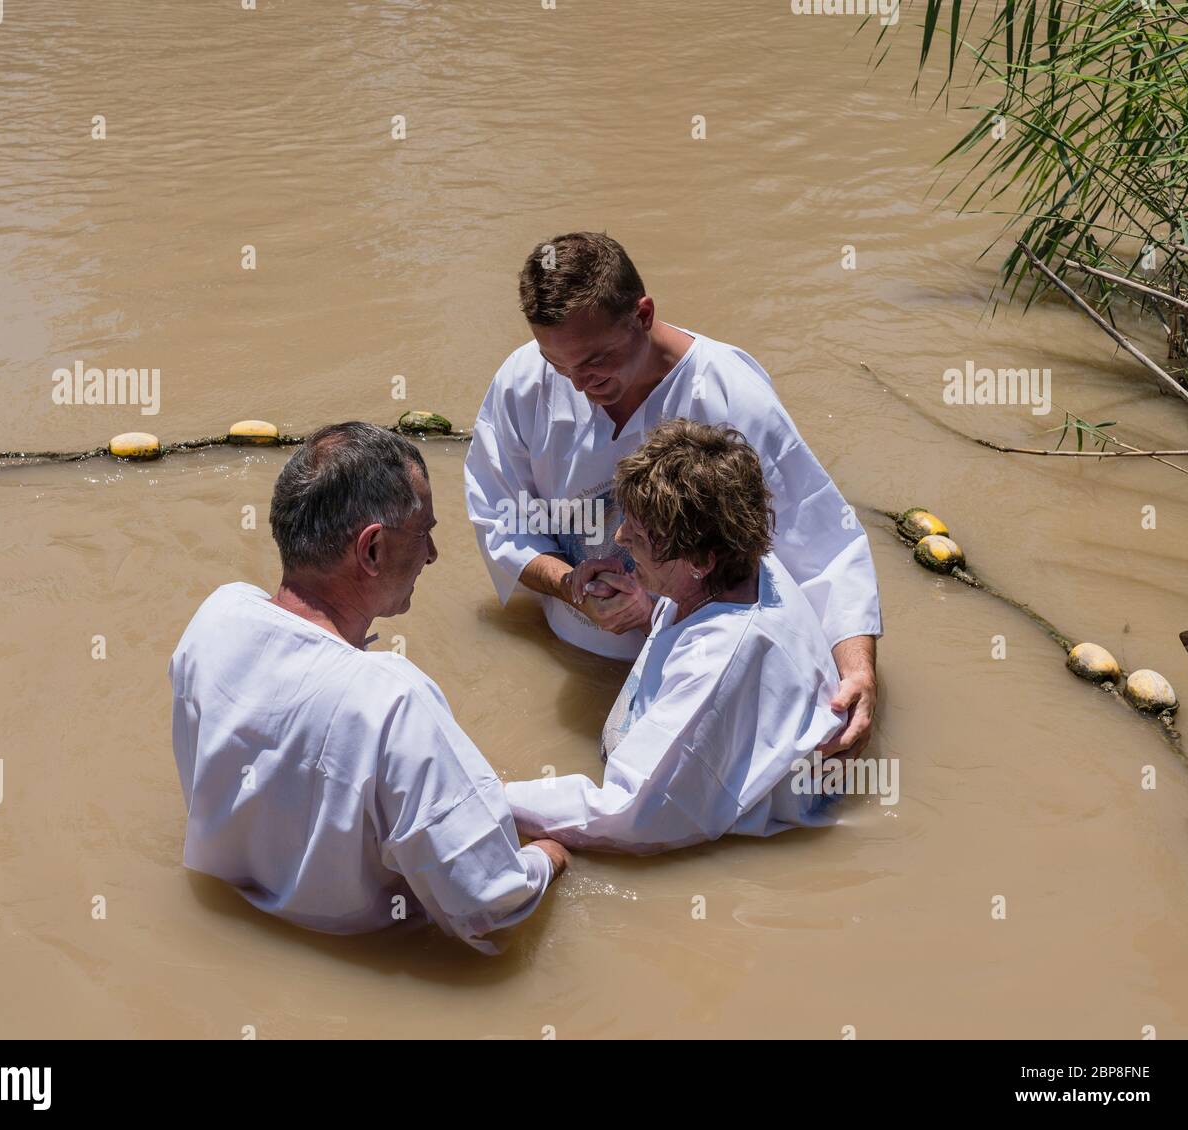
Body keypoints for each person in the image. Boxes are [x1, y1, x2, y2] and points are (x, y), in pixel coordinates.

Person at [464, 231, 881, 755]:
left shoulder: (730, 396)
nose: (576, 384)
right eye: (559, 364)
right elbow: (500, 518)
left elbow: (822, 545)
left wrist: (858, 672)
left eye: (595, 361)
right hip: (574, 656)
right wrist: (570, 584)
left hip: (700, 677)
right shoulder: (523, 381)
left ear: (642, 315)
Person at [169, 422, 569, 954]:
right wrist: (547, 857)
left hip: (225, 936)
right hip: (367, 956)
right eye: (423, 531)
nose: (432, 554)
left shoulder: (213, 621)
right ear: (373, 549)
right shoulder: (394, 702)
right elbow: (487, 906)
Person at [505, 420, 846, 853]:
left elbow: (626, 816)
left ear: (701, 559)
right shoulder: (734, 569)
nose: (619, 537)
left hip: (734, 848)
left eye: (641, 535)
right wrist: (648, 613)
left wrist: (482, 798)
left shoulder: (718, 660)